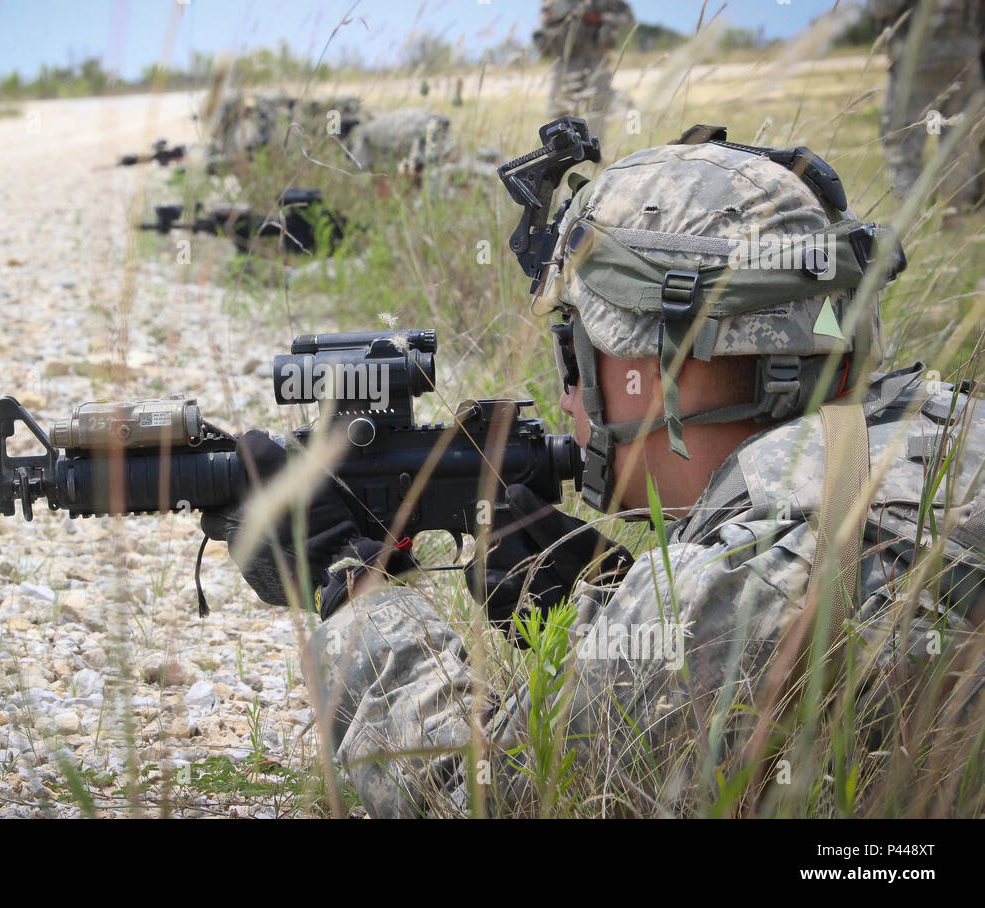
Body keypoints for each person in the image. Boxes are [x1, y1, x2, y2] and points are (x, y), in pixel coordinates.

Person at [202, 127, 985, 817]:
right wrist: (614, 601)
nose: (570, 397)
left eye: (576, 347)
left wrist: (352, 595)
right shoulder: (945, 434)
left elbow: (474, 796)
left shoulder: (749, 592)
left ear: (665, 364)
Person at [869, 0, 984, 214]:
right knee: (959, 140)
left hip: (917, 59)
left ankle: (910, 217)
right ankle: (955, 217)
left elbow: (885, 3)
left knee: (902, 140)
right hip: (966, 58)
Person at [533, 0, 634, 146]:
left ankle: (594, 159)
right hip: (563, 63)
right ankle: (561, 161)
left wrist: (602, 18)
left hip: (594, 61)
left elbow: (628, 17)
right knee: (558, 117)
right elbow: (543, 23)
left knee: (596, 114)